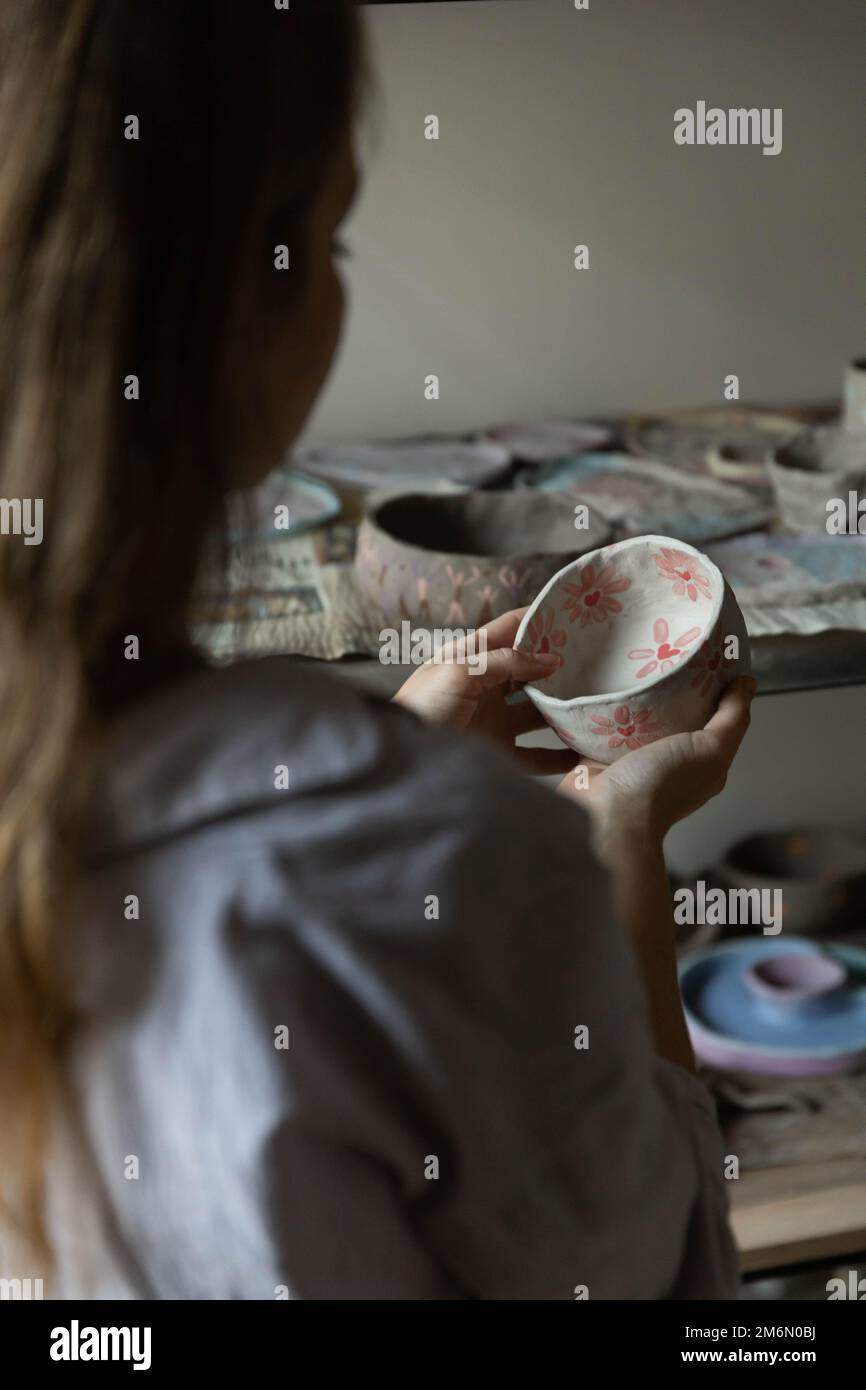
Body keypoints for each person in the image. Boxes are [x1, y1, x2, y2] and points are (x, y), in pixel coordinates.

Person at [0, 0, 753, 1299]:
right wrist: (619, 844)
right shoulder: (430, 866)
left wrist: (387, 756)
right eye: (325, 235)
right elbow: (672, 1286)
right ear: (260, 282)